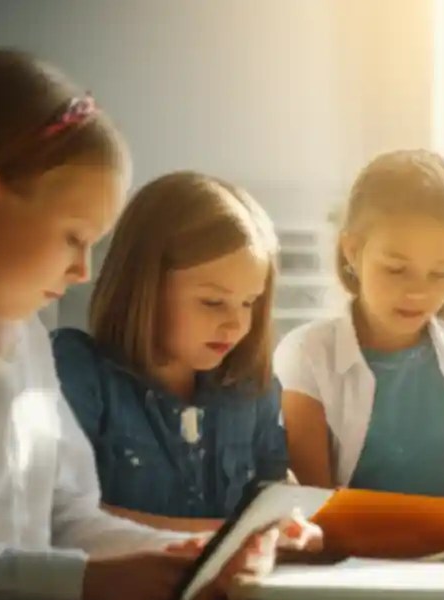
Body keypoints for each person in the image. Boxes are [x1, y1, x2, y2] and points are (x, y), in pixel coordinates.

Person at [0, 49, 277, 600]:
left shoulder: (24, 338)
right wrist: (89, 584)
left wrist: (197, 556)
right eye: (75, 238)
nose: (84, 271)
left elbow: (66, 515)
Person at [53, 172, 287, 532]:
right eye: (212, 302)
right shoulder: (78, 372)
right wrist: (226, 538)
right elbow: (61, 519)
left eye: (249, 302)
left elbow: (275, 496)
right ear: (144, 287)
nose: (237, 325)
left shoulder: (253, 389)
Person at [275, 150, 444, 498]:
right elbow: (311, 507)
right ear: (352, 250)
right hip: (349, 552)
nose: (417, 292)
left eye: (440, 273)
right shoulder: (307, 354)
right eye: (396, 269)